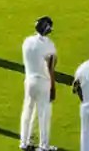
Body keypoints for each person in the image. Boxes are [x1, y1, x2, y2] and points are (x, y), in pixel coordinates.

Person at [20, 15, 58, 151]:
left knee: (27, 110)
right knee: (44, 114)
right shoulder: (48, 44)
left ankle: (24, 142)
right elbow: (51, 66)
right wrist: (53, 86)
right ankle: (44, 145)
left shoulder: (27, 41)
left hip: (29, 80)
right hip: (43, 81)